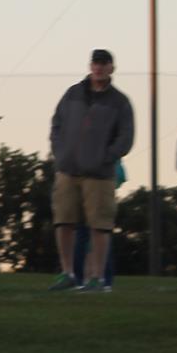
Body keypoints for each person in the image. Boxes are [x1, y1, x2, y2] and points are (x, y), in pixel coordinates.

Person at [47, 49, 135, 293]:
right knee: (64, 222)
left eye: (104, 63)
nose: (99, 67)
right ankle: (67, 273)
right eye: (96, 63)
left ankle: (97, 277)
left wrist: (104, 159)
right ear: (90, 65)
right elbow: (56, 124)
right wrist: (61, 153)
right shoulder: (73, 93)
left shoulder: (120, 101)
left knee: (100, 225)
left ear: (111, 68)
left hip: (100, 175)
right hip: (67, 171)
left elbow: (126, 137)